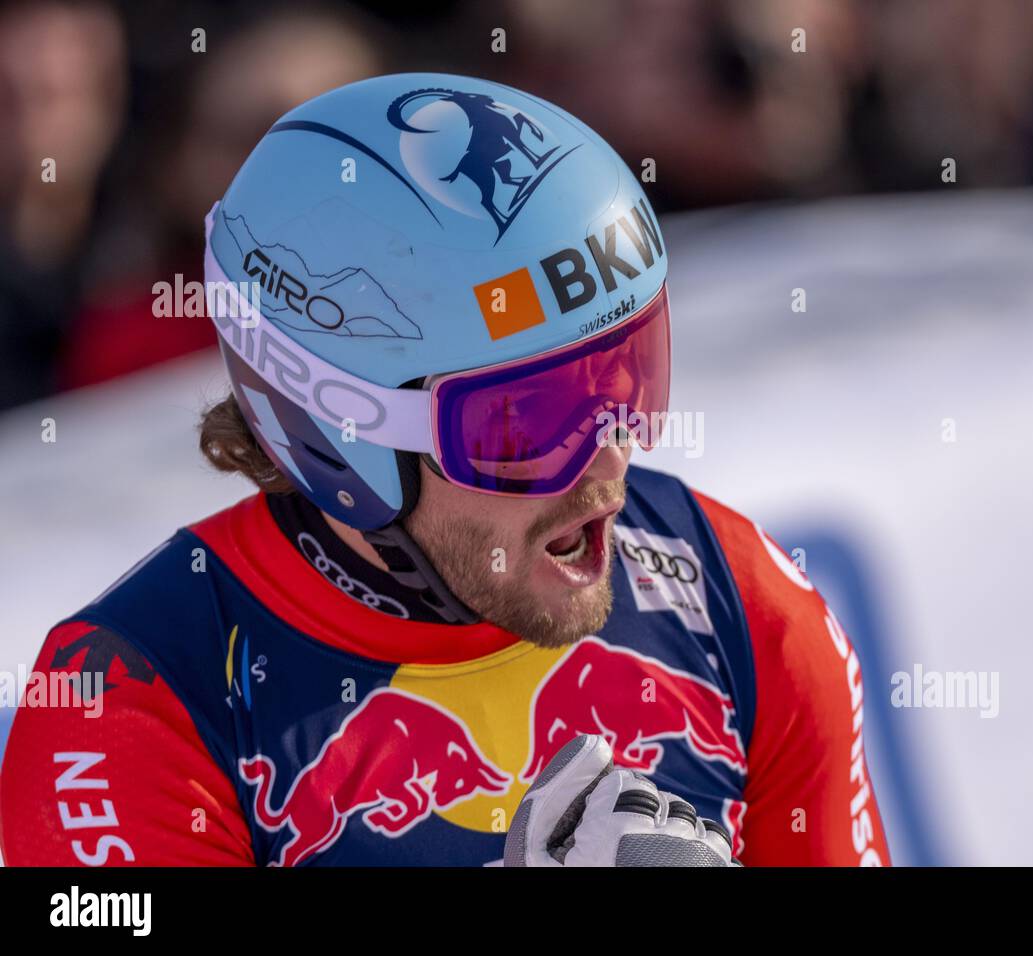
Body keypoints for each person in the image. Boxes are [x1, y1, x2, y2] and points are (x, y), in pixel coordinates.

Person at [0, 74, 890, 867]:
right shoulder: (124, 703)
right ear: (345, 442)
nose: (610, 463)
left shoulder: (735, 597)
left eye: (626, 377)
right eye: (528, 421)